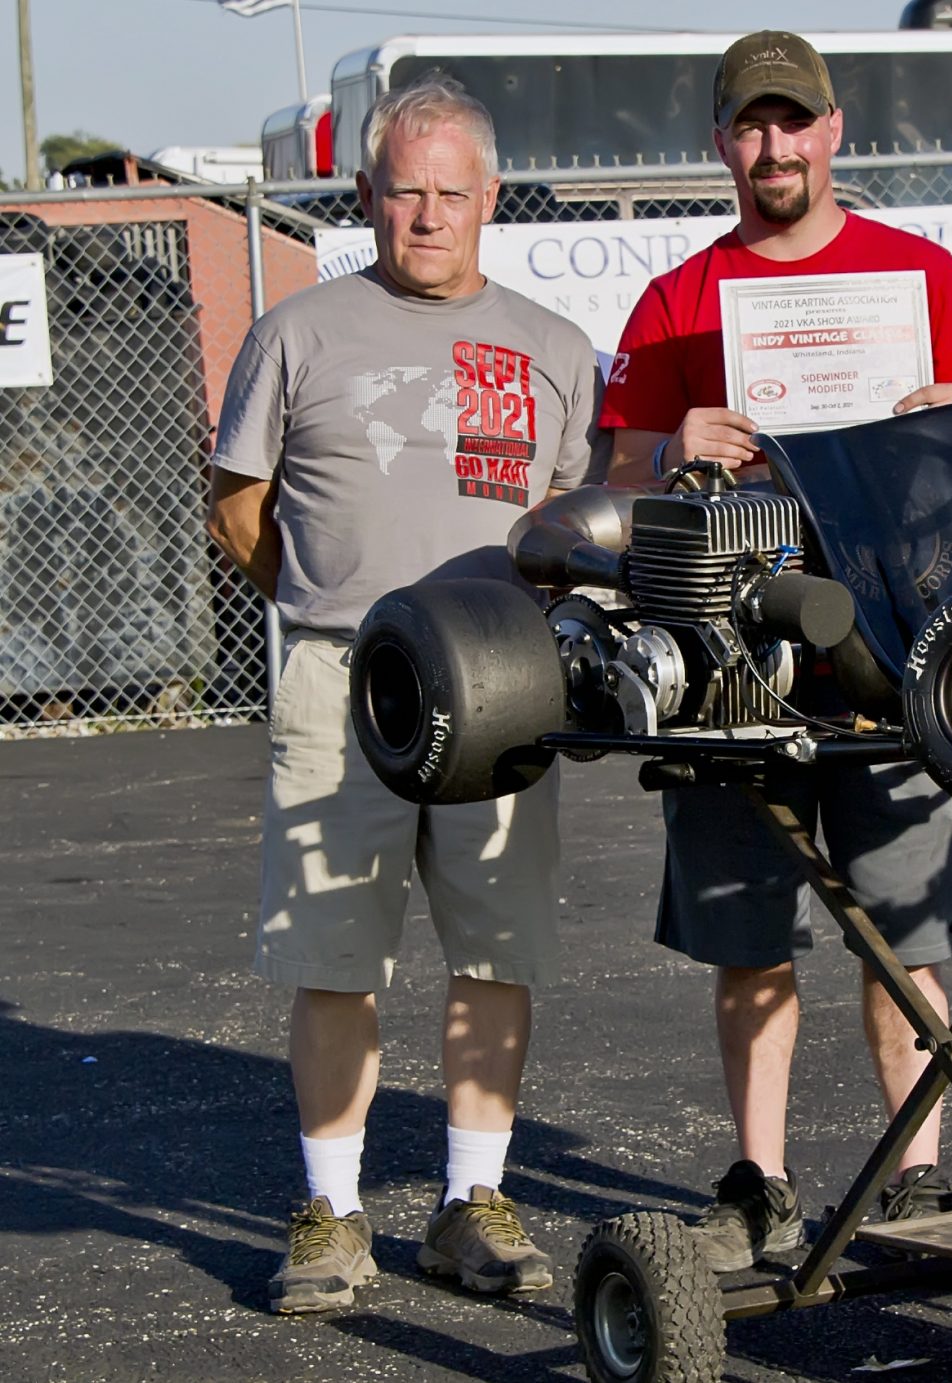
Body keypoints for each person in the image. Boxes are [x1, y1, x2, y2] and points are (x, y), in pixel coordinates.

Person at [599, 29, 952, 1273]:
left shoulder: (919, 278)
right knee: (749, 941)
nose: (772, 148)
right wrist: (671, 451)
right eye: (748, 126)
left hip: (890, 649)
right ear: (721, 142)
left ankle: (918, 1177)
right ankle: (760, 1181)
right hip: (732, 663)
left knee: (906, 938)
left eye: (794, 122)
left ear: (835, 130)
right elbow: (614, 484)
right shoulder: (676, 306)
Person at [206, 73, 602, 1313]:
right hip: (346, 681)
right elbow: (240, 504)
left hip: (504, 682)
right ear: (367, 197)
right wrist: (342, 608)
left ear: (489, 197)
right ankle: (331, 1215)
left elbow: (576, 519)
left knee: (495, 952)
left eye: (450, 192)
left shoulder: (554, 347)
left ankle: (470, 1204)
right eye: (402, 192)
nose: (426, 215)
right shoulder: (300, 332)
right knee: (337, 960)